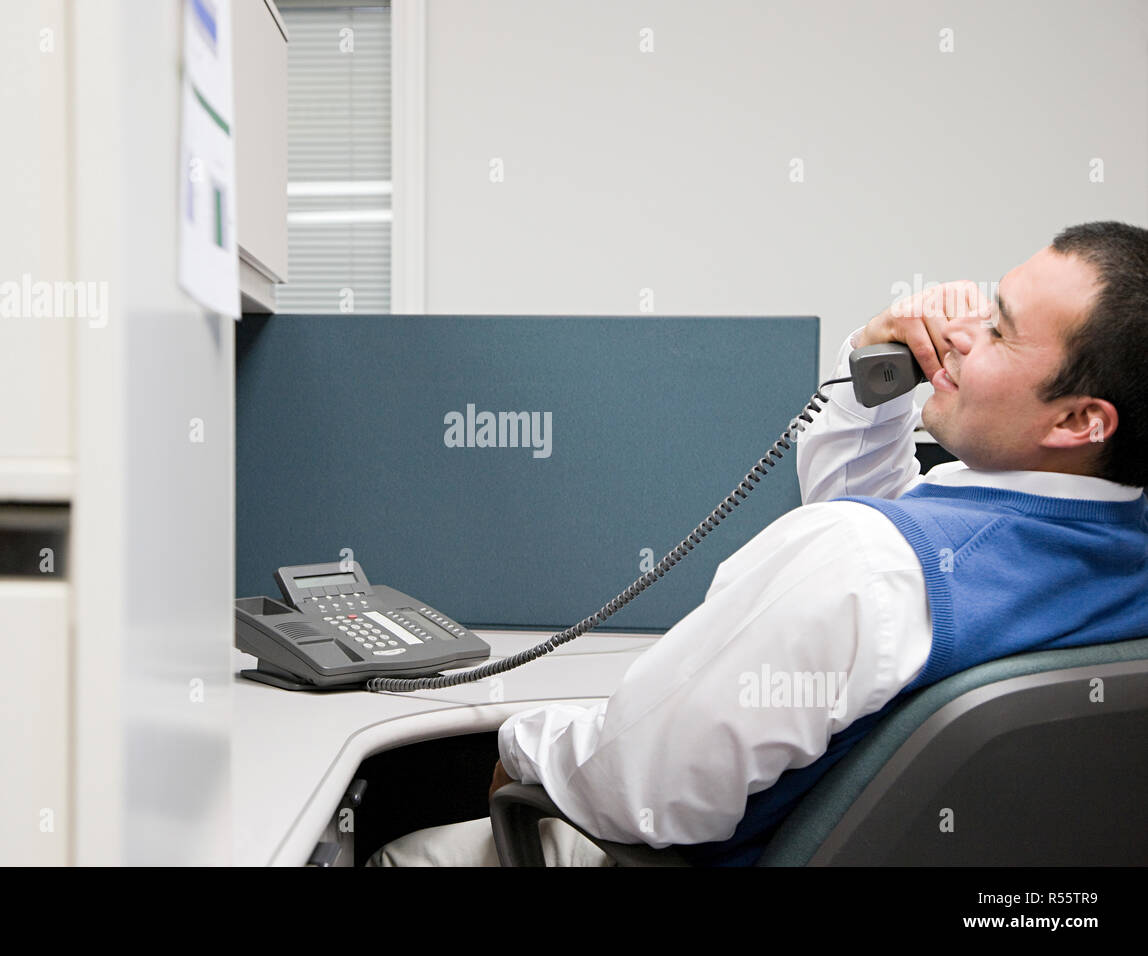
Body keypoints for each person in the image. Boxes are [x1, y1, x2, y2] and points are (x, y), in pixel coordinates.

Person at [367, 221, 1148, 867]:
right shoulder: (1104, 552)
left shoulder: (866, 562)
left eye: (1000, 329)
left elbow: (636, 787)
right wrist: (877, 376)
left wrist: (522, 750)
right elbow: (887, 580)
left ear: (1079, 421)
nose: (957, 332)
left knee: (399, 851)